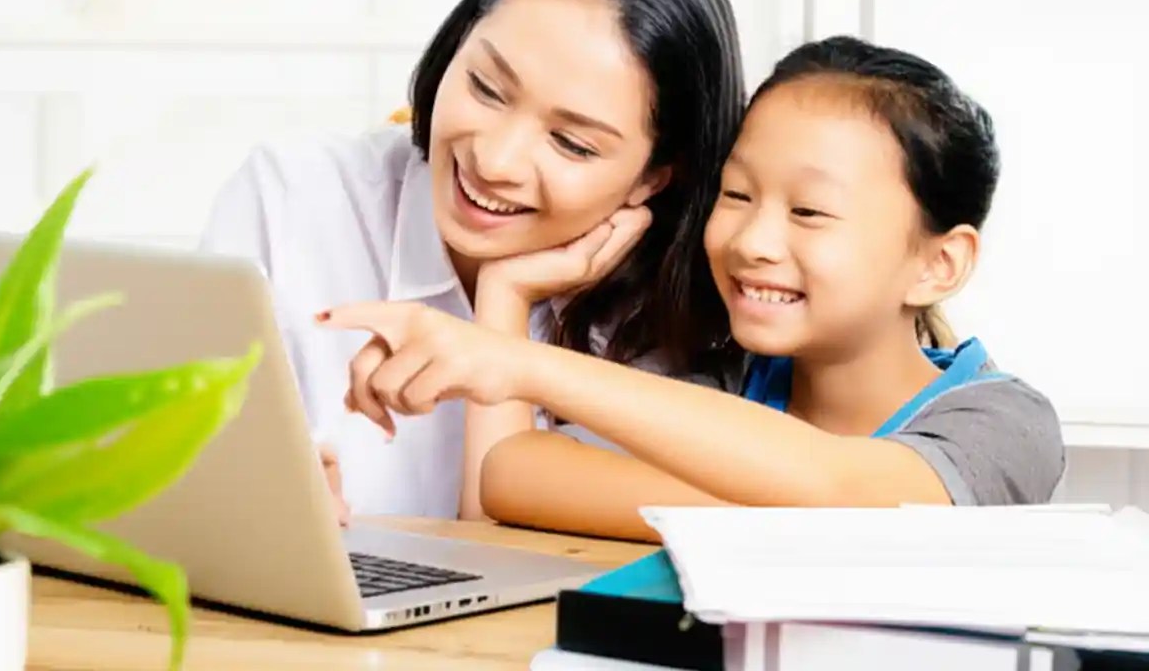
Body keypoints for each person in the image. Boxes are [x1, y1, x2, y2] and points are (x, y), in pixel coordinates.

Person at [320, 35, 1066, 541]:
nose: (750, 241)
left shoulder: (1001, 423)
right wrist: (508, 295)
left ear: (939, 263)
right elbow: (509, 479)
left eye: (809, 211)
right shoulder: (723, 384)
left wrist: (518, 364)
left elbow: (845, 491)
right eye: (736, 195)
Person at [199, 0, 747, 521]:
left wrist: (504, 299)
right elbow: (180, 476)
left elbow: (508, 545)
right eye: (486, 88)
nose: (494, 161)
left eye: (572, 144)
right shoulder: (293, 199)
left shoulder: (671, 324)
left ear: (654, 178)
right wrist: (252, 503)